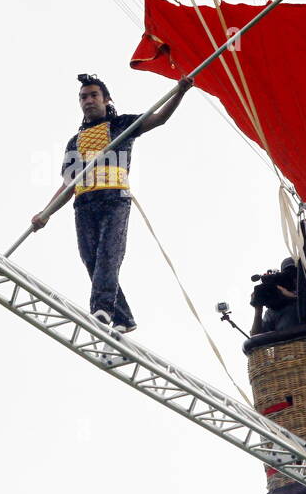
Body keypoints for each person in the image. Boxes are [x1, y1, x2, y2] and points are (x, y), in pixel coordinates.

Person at [31, 72, 193, 332]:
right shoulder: (75, 142)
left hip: (114, 197)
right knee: (91, 260)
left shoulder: (121, 125)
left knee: (109, 253)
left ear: (106, 99)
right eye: (83, 97)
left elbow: (159, 119)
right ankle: (123, 319)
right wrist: (46, 213)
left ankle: (102, 308)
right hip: (84, 203)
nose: (88, 101)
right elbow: (68, 184)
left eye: (94, 95)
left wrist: (180, 92)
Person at [249, 257, 306, 335]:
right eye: (288, 275)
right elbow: (255, 336)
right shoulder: (275, 309)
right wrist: (258, 310)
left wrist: (292, 295)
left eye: (297, 274)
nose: (294, 279)